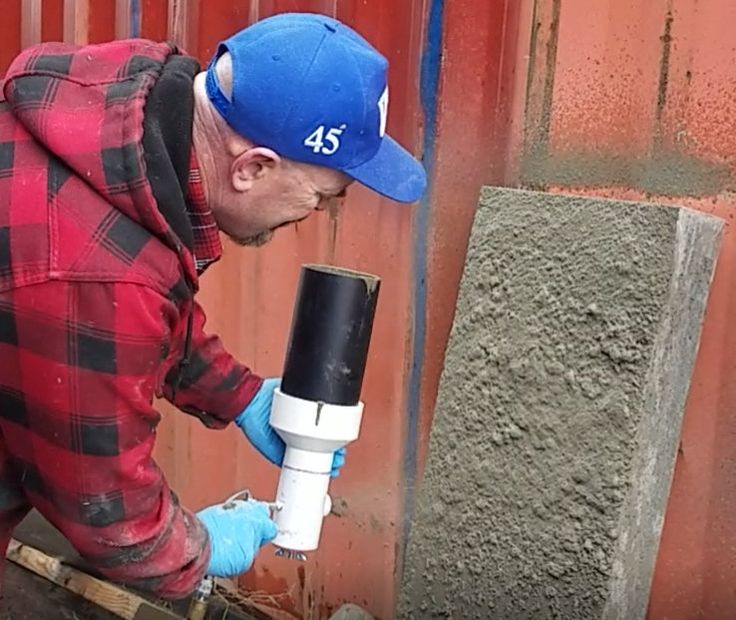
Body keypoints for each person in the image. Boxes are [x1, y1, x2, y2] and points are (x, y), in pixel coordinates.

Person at [0, 11, 425, 599]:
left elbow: (132, 312)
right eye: (325, 194)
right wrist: (193, 548)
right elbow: (109, 512)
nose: (321, 213)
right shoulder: (96, 274)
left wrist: (242, 395)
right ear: (253, 167)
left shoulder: (129, 122)